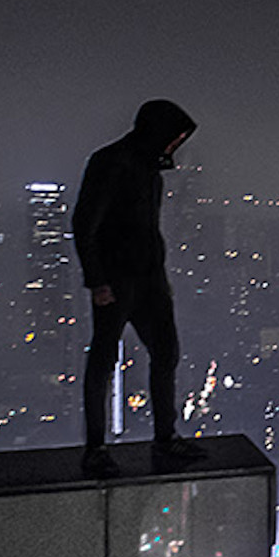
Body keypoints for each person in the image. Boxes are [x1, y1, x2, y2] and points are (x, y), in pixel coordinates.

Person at [75, 98, 202, 475]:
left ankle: (166, 436)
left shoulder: (149, 170)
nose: (174, 146)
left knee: (166, 353)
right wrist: (97, 281)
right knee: (102, 362)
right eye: (173, 138)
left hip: (149, 279)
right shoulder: (110, 163)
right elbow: (85, 224)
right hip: (116, 281)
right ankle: (95, 447)